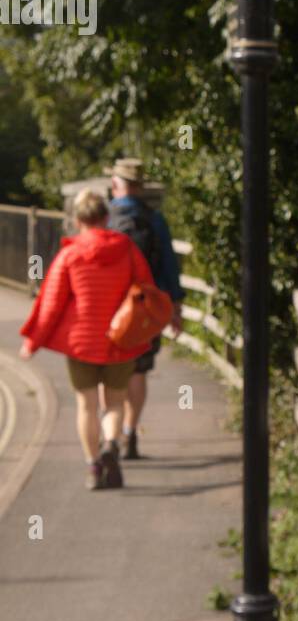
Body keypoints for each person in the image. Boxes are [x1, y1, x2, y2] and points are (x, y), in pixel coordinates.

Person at [19, 189, 154, 491]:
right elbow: (146, 288)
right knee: (115, 403)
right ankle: (111, 445)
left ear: (78, 221)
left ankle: (94, 467)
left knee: (86, 406)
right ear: (106, 218)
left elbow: (51, 303)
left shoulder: (70, 254)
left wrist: (33, 341)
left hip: (82, 343)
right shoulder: (128, 249)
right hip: (122, 340)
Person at [105, 158, 184, 459]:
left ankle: (109, 435)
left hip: (110, 309)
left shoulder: (105, 218)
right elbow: (169, 267)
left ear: (116, 184)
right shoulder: (155, 220)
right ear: (139, 187)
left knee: (111, 373)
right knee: (138, 373)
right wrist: (175, 308)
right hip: (146, 311)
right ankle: (130, 433)